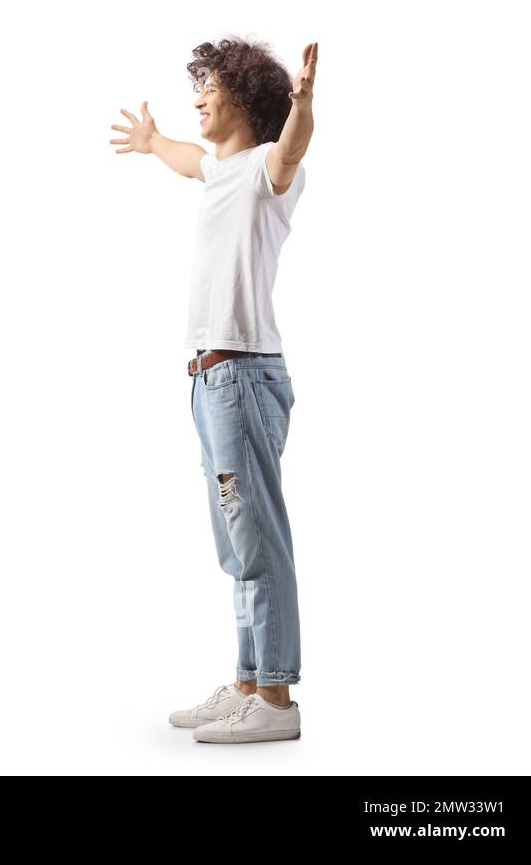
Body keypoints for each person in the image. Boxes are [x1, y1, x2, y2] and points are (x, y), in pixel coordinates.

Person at [111, 38, 317, 743]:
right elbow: (184, 160)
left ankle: (278, 700)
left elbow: (291, 151)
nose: (198, 93)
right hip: (211, 379)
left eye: (210, 84)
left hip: (244, 377)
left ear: (246, 99)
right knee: (237, 542)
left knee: (257, 539)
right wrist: (151, 141)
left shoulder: (264, 167)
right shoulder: (220, 170)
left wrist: (303, 108)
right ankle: (247, 682)